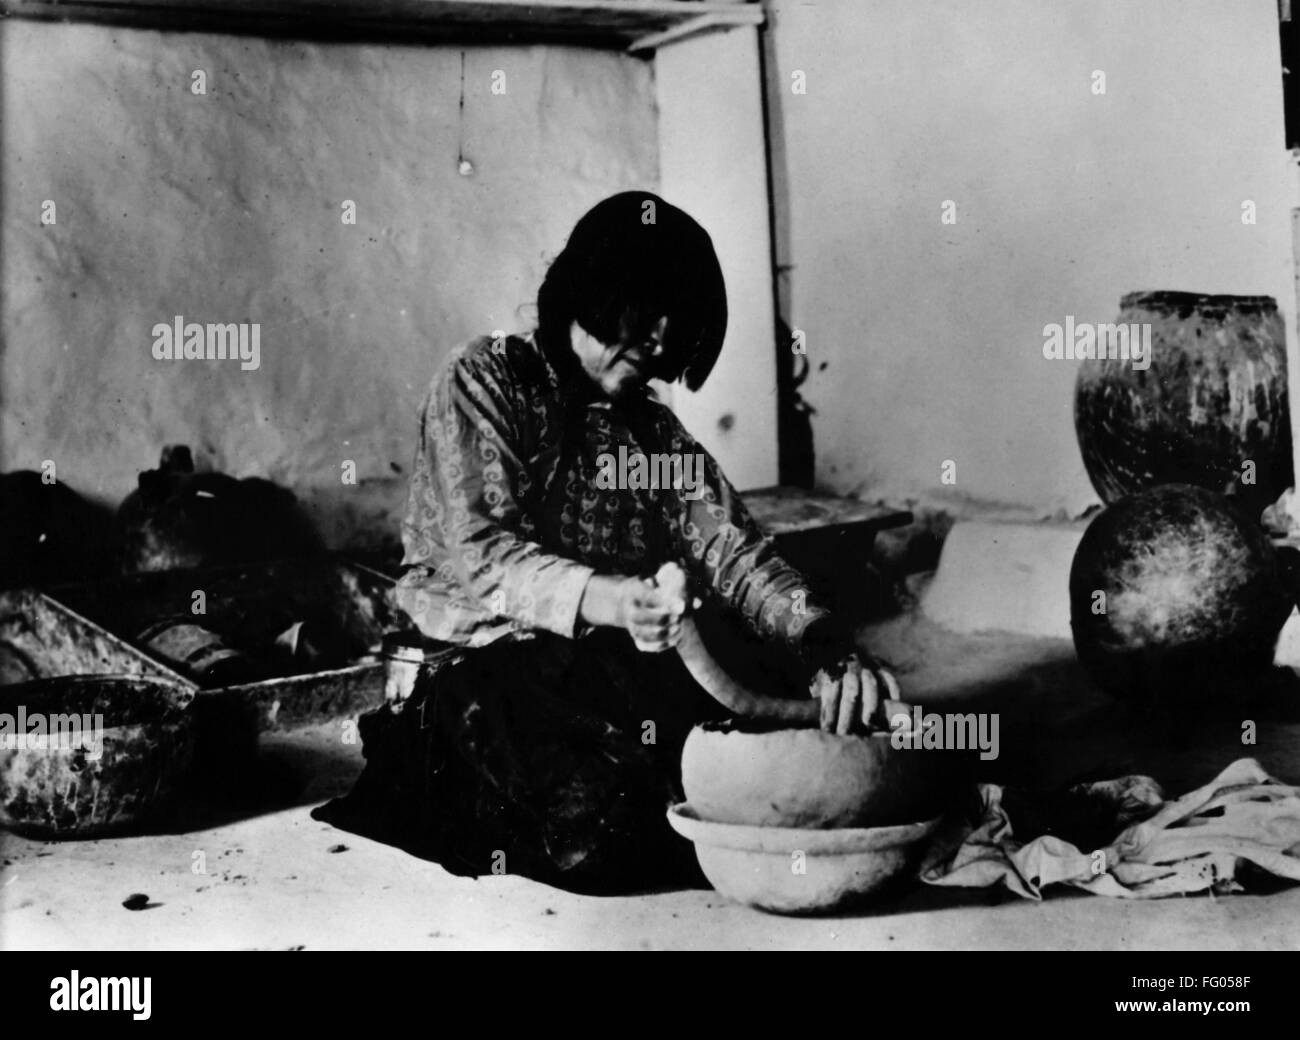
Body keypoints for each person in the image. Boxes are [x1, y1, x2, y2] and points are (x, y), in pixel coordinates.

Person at [316, 191, 900, 893]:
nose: (657, 341)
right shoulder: (485, 380)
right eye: (644, 313)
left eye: (670, 324)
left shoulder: (650, 434)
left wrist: (825, 648)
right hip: (481, 674)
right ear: (591, 290)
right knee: (611, 828)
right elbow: (482, 553)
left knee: (764, 763)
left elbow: (739, 557)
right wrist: (609, 598)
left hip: (605, 666)